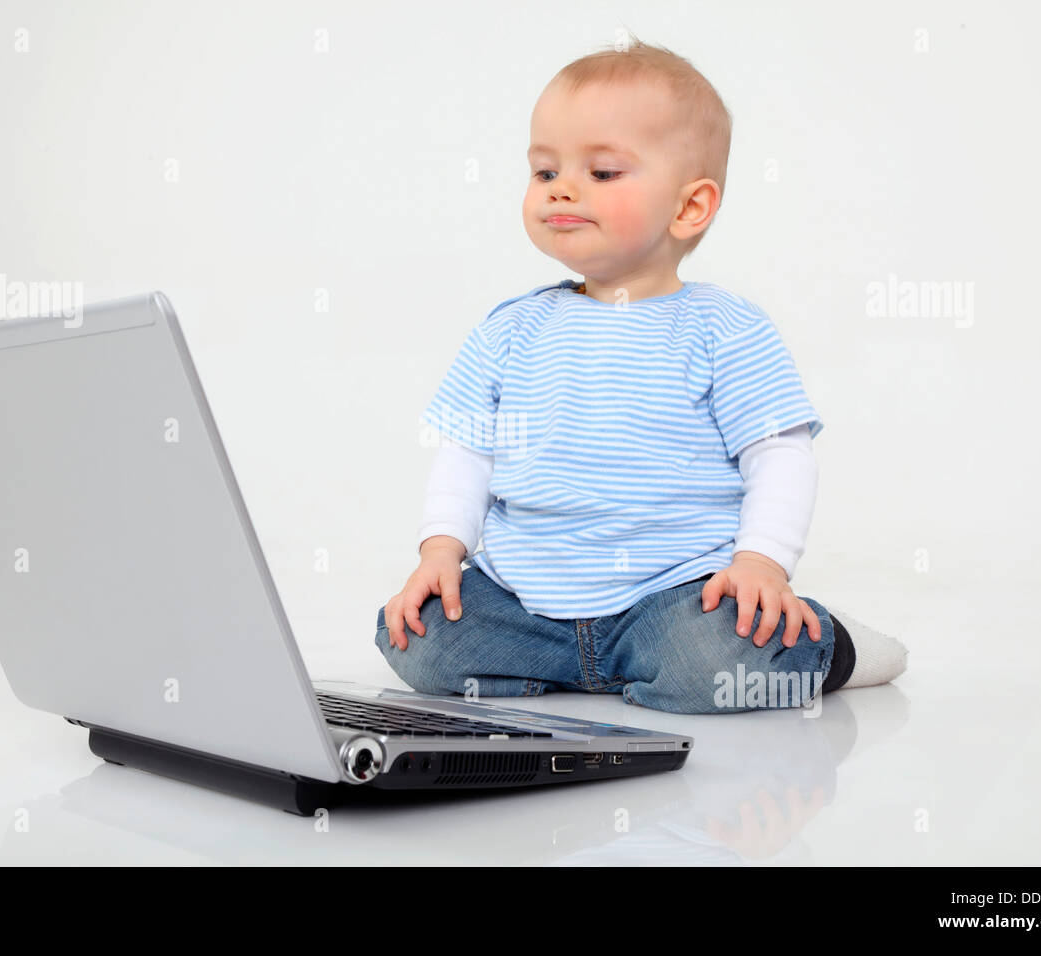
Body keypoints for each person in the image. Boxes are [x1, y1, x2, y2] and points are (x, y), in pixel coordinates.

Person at [375, 37, 907, 714]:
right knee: (421, 642)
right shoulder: (509, 329)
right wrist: (442, 550)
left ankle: (828, 646)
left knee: (716, 660)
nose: (561, 187)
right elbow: (467, 451)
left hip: (673, 596)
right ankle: (588, 666)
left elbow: (780, 454)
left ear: (689, 207)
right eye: (544, 172)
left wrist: (761, 563)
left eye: (602, 173)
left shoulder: (723, 327)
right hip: (525, 601)